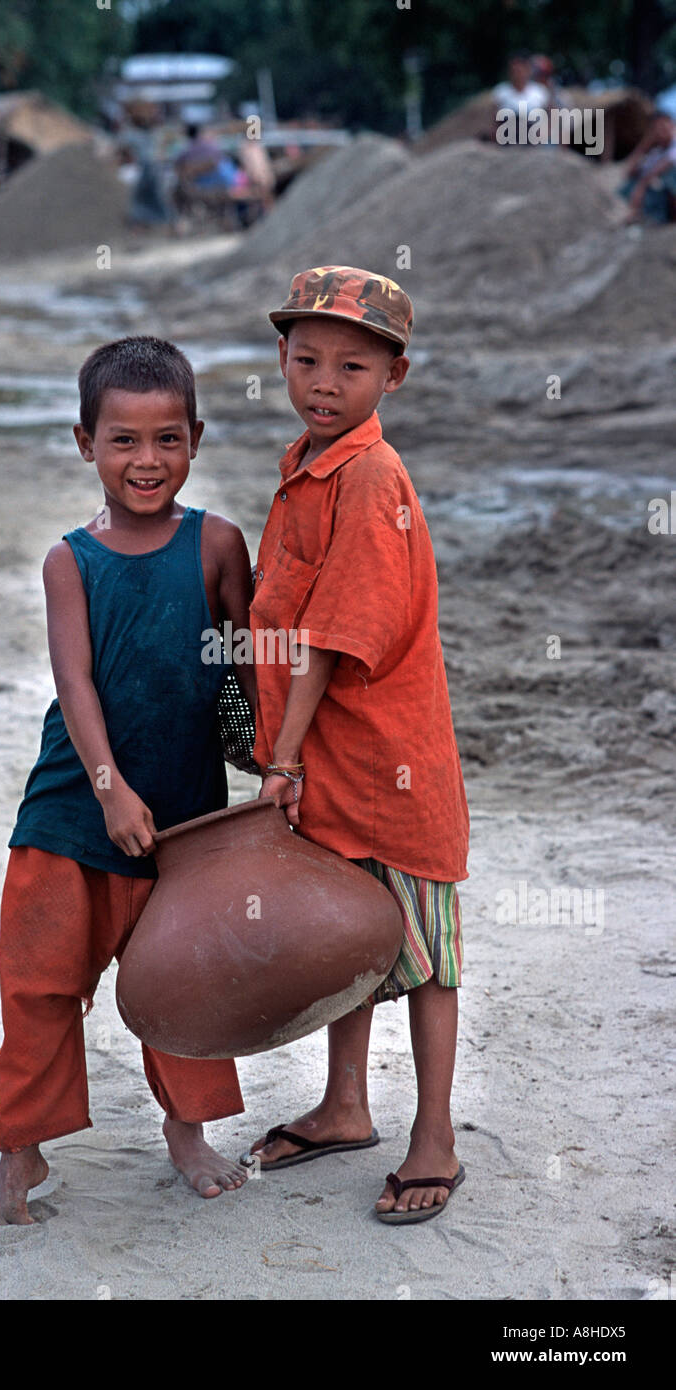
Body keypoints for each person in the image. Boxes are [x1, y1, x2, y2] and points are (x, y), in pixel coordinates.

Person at [0, 337, 256, 1224]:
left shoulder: (216, 543)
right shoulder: (72, 560)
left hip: (182, 819)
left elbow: (246, 664)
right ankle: (20, 1155)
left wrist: (279, 764)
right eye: (123, 441)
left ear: (197, 438)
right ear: (83, 442)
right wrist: (107, 787)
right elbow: (76, 682)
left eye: (167, 439)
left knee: (188, 982)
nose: (147, 461)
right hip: (69, 810)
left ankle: (187, 1132)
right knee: (40, 985)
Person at [243, 267, 470, 1224]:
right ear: (282, 363)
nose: (324, 381)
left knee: (422, 955)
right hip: (330, 763)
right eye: (305, 361)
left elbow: (333, 641)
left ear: (395, 377)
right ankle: (344, 1106)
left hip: (388, 765)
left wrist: (280, 763)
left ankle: (436, 1136)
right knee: (349, 939)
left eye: (350, 365)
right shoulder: (308, 464)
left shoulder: (373, 476)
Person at [620, 111, 676, 224]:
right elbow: (630, 172)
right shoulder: (656, 152)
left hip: (666, 193)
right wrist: (644, 146)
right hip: (656, 196)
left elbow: (667, 164)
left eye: (664, 125)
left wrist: (642, 185)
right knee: (628, 186)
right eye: (656, 128)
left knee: (668, 176)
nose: (661, 131)